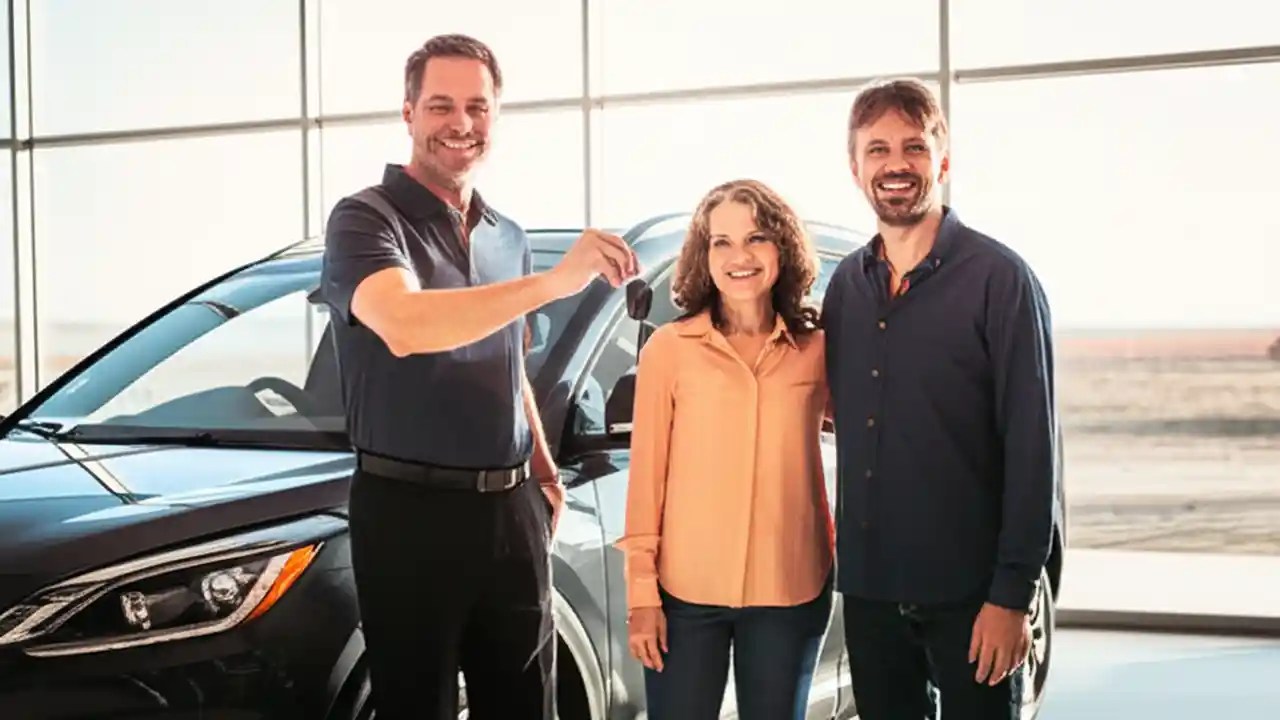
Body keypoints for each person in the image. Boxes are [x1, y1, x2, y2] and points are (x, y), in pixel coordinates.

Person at [319, 34, 638, 719]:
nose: (460, 123)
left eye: (477, 106)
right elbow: (404, 324)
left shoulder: (507, 236)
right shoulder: (364, 219)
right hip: (407, 512)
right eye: (441, 105)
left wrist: (543, 475)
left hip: (510, 509)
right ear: (408, 112)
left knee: (528, 706)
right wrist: (554, 283)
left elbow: (509, 362)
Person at [821, 77, 1058, 720]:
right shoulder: (845, 287)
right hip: (871, 592)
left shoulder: (1000, 281)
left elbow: (1033, 448)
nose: (895, 164)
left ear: (943, 162)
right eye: (877, 149)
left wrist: (1012, 597)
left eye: (914, 147)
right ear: (854, 167)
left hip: (971, 593)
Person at [618, 179, 835, 719]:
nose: (740, 257)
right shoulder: (669, 350)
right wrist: (642, 594)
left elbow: (876, 434)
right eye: (722, 242)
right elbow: (646, 478)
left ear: (783, 248)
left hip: (790, 591)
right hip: (685, 596)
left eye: (756, 238)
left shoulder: (818, 350)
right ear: (704, 255)